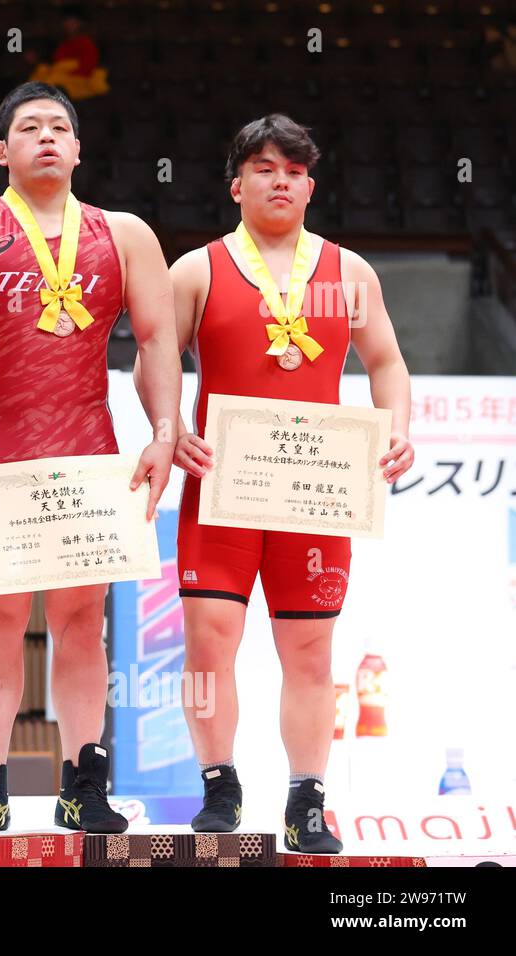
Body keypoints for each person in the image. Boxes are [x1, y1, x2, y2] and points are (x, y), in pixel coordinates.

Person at [0, 82, 182, 834]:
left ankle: (82, 784)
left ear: (79, 148)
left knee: (81, 623)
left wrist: (163, 432)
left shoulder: (124, 232)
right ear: (3, 150)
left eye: (60, 126)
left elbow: (158, 339)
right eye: (29, 127)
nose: (47, 137)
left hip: (91, 453)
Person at [168, 115, 414, 854]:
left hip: (314, 491)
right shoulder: (198, 269)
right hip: (221, 488)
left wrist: (396, 425)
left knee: (310, 652)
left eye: (295, 170)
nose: (281, 180)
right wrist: (167, 425)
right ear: (236, 184)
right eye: (265, 168)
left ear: (310, 185)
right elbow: (155, 356)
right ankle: (219, 785)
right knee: (207, 644)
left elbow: (388, 365)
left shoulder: (350, 272)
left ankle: (308, 800)